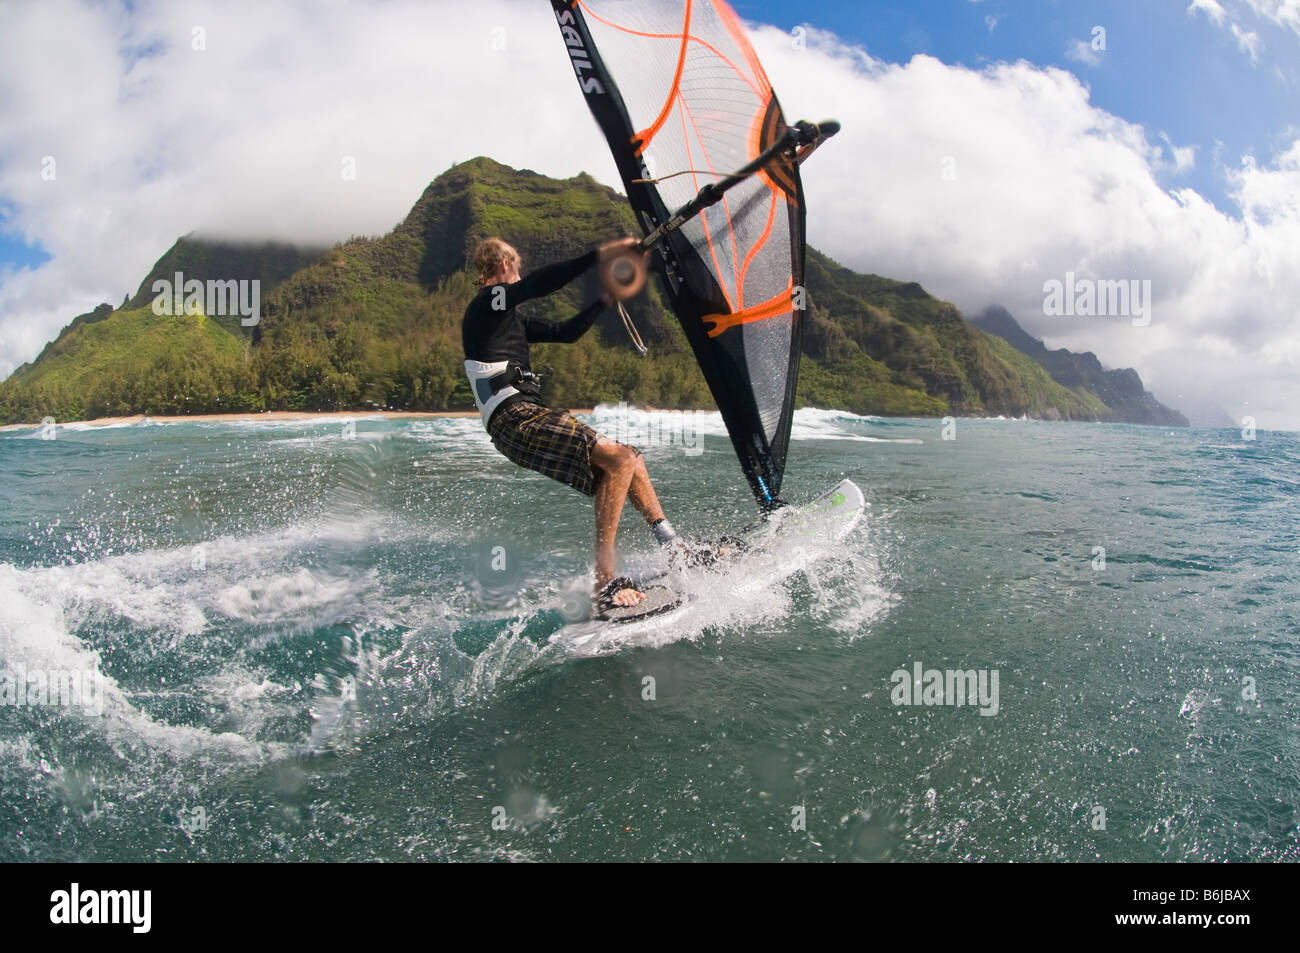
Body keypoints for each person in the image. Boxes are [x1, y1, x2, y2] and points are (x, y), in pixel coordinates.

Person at [462, 236, 697, 611]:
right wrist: (597, 256)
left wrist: (606, 297)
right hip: (515, 418)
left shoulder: (511, 320)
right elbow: (539, 285)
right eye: (516, 267)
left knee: (629, 459)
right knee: (618, 459)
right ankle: (604, 580)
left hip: (521, 419)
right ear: (504, 265)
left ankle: (674, 546)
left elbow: (565, 333)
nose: (519, 274)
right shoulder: (487, 304)